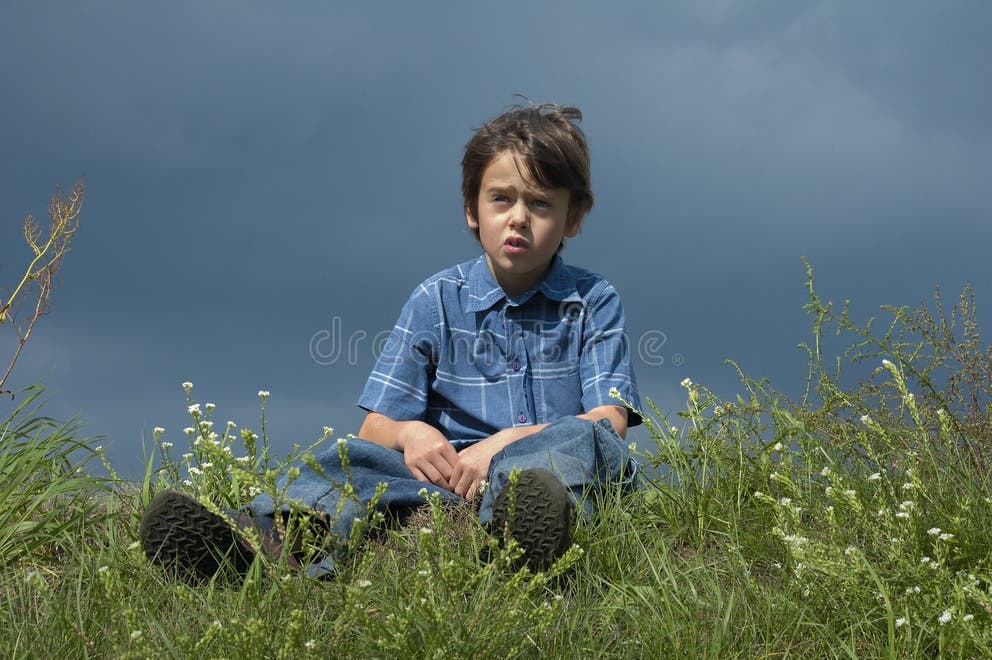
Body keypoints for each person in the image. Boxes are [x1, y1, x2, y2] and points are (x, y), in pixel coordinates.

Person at [140, 102, 642, 581]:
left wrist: (512, 441)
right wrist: (410, 436)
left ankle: (523, 532)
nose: (518, 217)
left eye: (540, 203)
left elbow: (610, 419)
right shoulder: (436, 300)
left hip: (540, 478)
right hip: (450, 480)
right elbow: (375, 425)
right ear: (473, 209)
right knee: (351, 458)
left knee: (579, 440)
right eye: (501, 199)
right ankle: (264, 538)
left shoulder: (593, 300)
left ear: (572, 217)